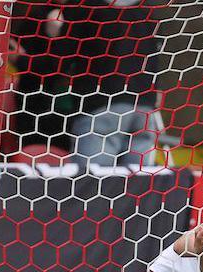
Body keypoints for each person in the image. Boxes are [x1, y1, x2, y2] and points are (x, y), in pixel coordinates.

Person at [16, 0, 159, 167]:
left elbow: (58, 63)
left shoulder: (85, 6)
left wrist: (19, 59)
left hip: (102, 106)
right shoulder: (147, 9)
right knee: (139, 185)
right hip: (144, 108)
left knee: (92, 185)